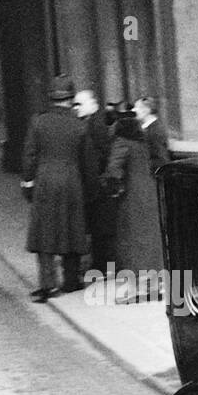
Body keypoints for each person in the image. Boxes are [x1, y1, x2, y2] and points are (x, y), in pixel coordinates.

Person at [21, 75, 91, 302]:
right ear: (70, 99)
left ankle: (47, 285)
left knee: (44, 233)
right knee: (72, 229)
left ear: (51, 98)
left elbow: (30, 155)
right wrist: (91, 189)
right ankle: (71, 281)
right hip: (72, 182)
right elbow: (87, 162)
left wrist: (28, 181)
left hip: (45, 181)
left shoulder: (38, 122)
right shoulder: (79, 125)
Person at [103, 111, 165, 297]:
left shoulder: (122, 142)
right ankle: (157, 284)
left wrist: (113, 188)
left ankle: (137, 287)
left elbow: (114, 170)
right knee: (152, 240)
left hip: (132, 198)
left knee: (132, 241)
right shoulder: (143, 142)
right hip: (149, 195)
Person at [74, 90, 115, 276]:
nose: (76, 108)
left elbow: (103, 154)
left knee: (99, 229)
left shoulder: (96, 126)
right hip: (91, 184)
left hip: (96, 186)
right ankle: (98, 265)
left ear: (93, 105)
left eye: (79, 104)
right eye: (75, 104)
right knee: (96, 228)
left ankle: (102, 267)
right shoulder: (86, 124)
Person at [133, 96, 171, 173]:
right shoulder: (147, 128)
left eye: (137, 107)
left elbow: (160, 157)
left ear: (146, 110)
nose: (133, 110)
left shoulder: (155, 130)